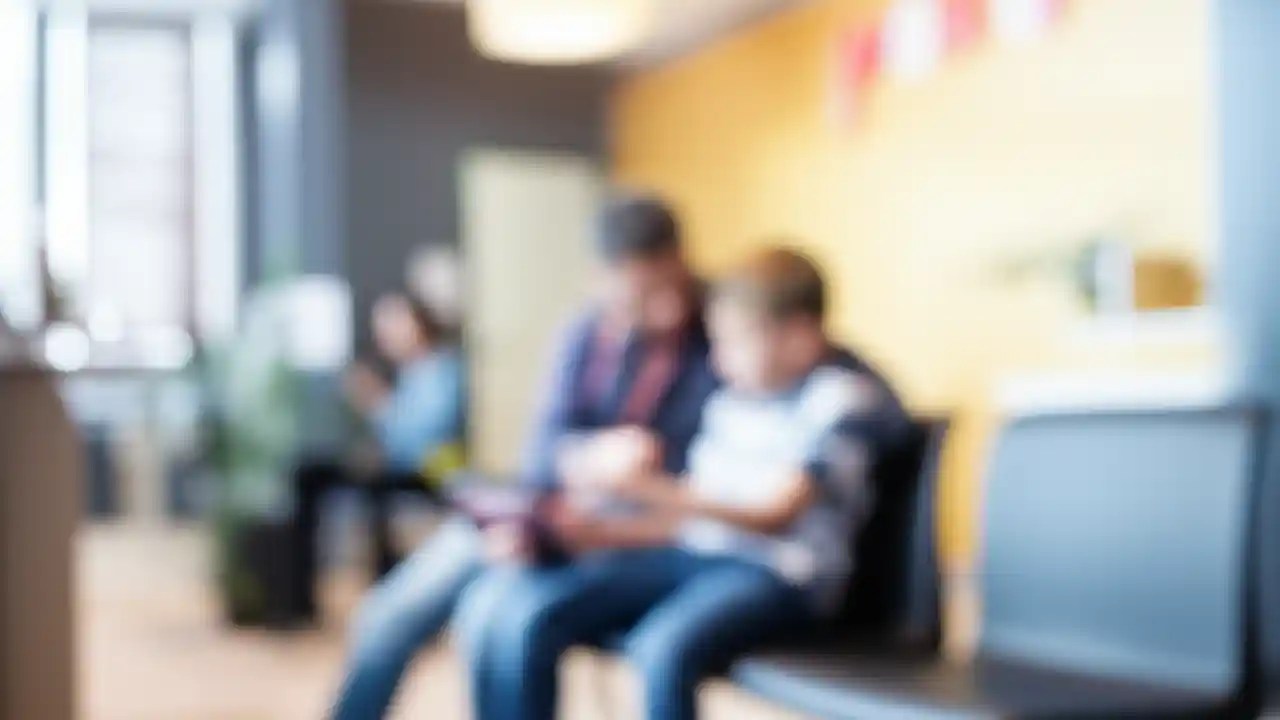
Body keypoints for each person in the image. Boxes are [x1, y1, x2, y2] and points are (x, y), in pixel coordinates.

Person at [455, 247, 912, 720]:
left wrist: (650, 489)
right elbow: (689, 521)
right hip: (700, 557)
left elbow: (777, 513)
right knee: (536, 611)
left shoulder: (840, 401)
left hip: (780, 576)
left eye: (734, 342)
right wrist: (591, 535)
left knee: (659, 650)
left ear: (799, 338)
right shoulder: (731, 402)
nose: (718, 360)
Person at [330, 194, 719, 719]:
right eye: (633, 293)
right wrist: (586, 460)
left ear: (680, 262)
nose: (651, 308)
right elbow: (541, 452)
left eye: (661, 288)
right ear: (601, 277)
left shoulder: (719, 332)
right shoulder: (587, 332)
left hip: (626, 531)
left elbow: (722, 464)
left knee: (489, 613)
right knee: (386, 615)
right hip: (543, 512)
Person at [294, 291, 466, 618]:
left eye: (393, 322)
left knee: (376, 491)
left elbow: (423, 440)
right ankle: (300, 599)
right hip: (398, 467)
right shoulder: (410, 373)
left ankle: (386, 594)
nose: (385, 332)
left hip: (432, 470)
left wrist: (379, 403)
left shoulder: (443, 370)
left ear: (419, 322)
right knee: (310, 472)